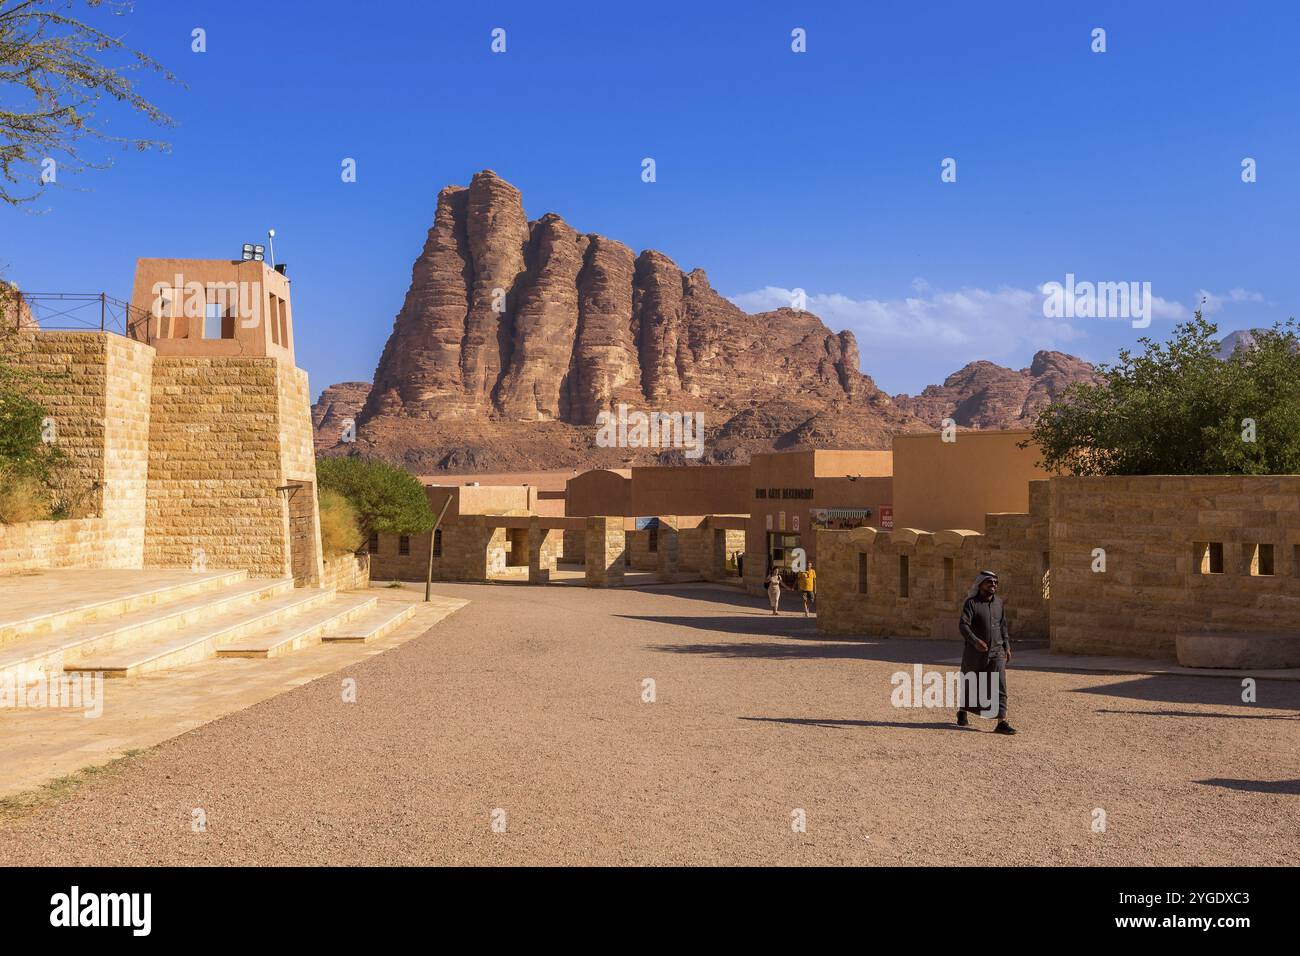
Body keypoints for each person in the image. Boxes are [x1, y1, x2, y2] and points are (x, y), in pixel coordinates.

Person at [956, 570, 1017, 735]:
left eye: (996, 582)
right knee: (971, 682)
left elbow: (1003, 626)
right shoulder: (971, 604)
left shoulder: (999, 603)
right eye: (990, 582)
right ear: (981, 583)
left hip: (997, 651)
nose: (994, 585)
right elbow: (963, 625)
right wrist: (975, 641)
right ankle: (962, 710)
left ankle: (1001, 721)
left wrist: (1007, 646)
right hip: (975, 652)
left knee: (1000, 685)